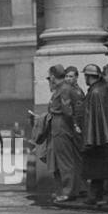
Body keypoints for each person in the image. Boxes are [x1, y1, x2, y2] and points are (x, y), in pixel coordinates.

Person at [78, 63, 108, 205]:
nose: (85, 78)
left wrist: (91, 137)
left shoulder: (96, 92)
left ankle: (107, 195)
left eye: (86, 76)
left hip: (99, 138)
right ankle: (96, 195)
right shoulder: (98, 90)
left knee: (105, 168)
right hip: (100, 136)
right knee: (97, 168)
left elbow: (96, 117)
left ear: (89, 76)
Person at [43, 63, 84, 202]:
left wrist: (72, 126)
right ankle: (67, 190)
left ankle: (68, 191)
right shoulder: (62, 88)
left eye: (50, 77)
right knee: (62, 159)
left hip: (61, 126)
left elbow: (67, 111)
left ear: (53, 77)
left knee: (65, 161)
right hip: (60, 125)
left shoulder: (64, 89)